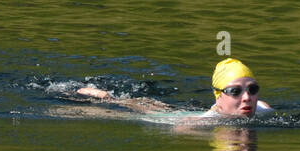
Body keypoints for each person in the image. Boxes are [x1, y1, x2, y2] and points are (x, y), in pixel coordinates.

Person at [74, 57, 273, 123]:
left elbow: (263, 104)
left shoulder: (264, 109)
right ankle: (104, 96)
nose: (247, 98)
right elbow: (179, 127)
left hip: (185, 111)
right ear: (218, 96)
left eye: (252, 89)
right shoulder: (202, 124)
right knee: (130, 108)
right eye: (235, 91)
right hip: (171, 117)